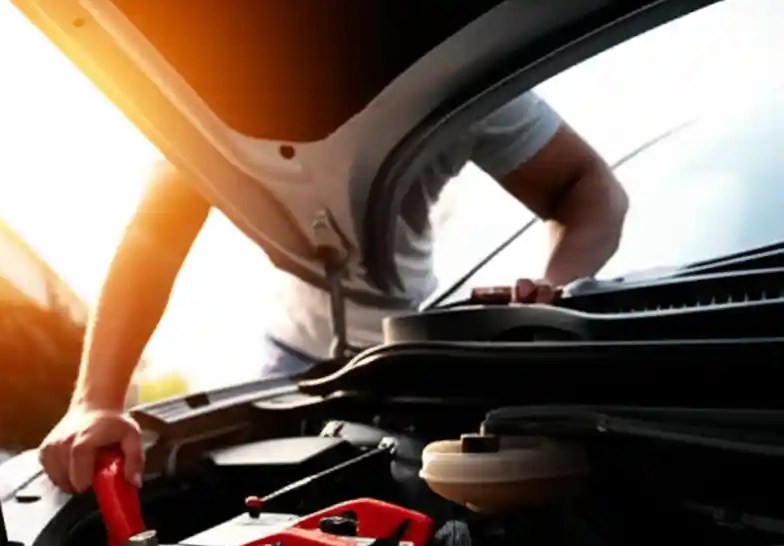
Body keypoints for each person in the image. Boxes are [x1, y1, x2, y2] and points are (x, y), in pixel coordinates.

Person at [40, 91, 628, 494]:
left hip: (411, 365)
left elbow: (591, 189)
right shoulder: (213, 83)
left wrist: (550, 287)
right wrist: (95, 401)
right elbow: (153, 237)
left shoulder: (469, 71)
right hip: (286, 365)